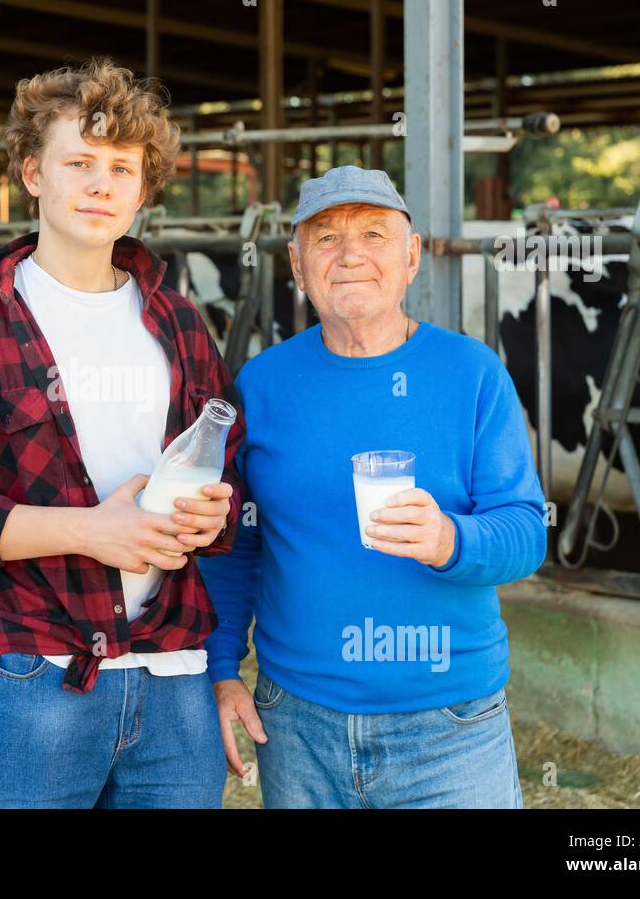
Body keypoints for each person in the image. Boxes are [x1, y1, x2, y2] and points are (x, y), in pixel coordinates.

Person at [0, 59, 245, 808]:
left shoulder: (179, 323)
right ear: (31, 174)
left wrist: (212, 514)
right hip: (34, 672)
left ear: (143, 190)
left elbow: (224, 481)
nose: (100, 184)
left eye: (122, 168)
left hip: (174, 678)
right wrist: (89, 531)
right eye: (78, 161)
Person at [201, 166, 547, 808]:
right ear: (297, 267)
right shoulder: (263, 382)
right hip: (296, 724)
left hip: (449, 726)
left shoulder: (471, 373)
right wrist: (222, 668)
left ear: (411, 257)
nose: (351, 254)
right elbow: (238, 545)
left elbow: (526, 531)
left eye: (375, 233)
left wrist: (450, 539)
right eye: (326, 238)